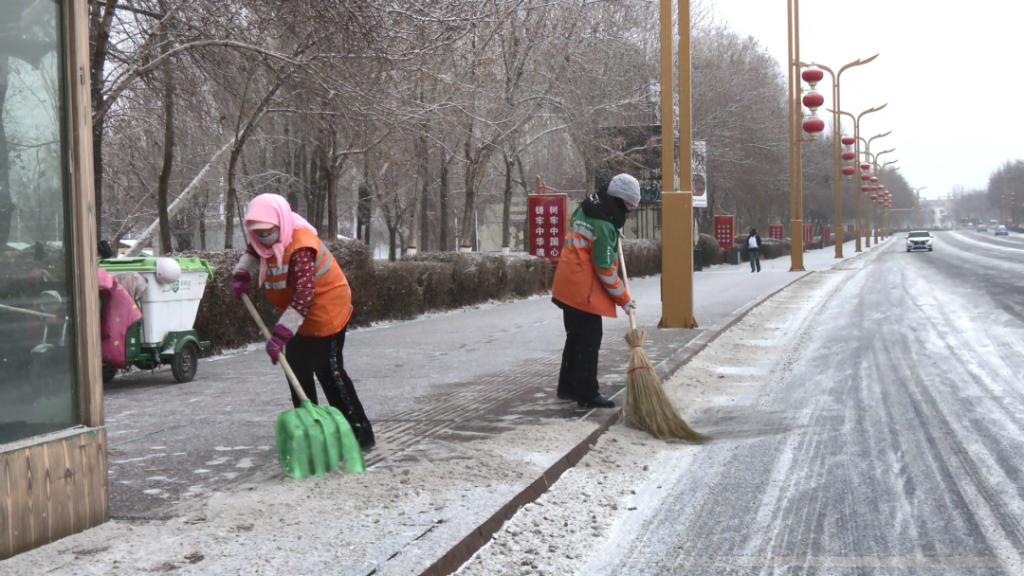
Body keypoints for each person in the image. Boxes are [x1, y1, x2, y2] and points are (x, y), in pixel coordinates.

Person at [231, 193, 375, 450]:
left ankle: (358, 432)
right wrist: (243, 271)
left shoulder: (301, 247)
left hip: (326, 309)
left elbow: (304, 296)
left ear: (280, 223)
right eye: (258, 232)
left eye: (268, 231)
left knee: (329, 371)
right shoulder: (266, 238)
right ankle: (313, 433)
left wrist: (280, 334)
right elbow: (255, 249)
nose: (264, 237)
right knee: (296, 370)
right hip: (298, 313)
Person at [551, 173, 639, 408]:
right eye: (629, 204)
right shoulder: (604, 224)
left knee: (575, 339)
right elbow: (605, 268)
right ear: (620, 200)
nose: (630, 210)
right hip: (582, 291)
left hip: (566, 285)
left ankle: (568, 387)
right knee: (589, 341)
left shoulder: (587, 209)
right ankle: (587, 393)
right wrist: (624, 298)